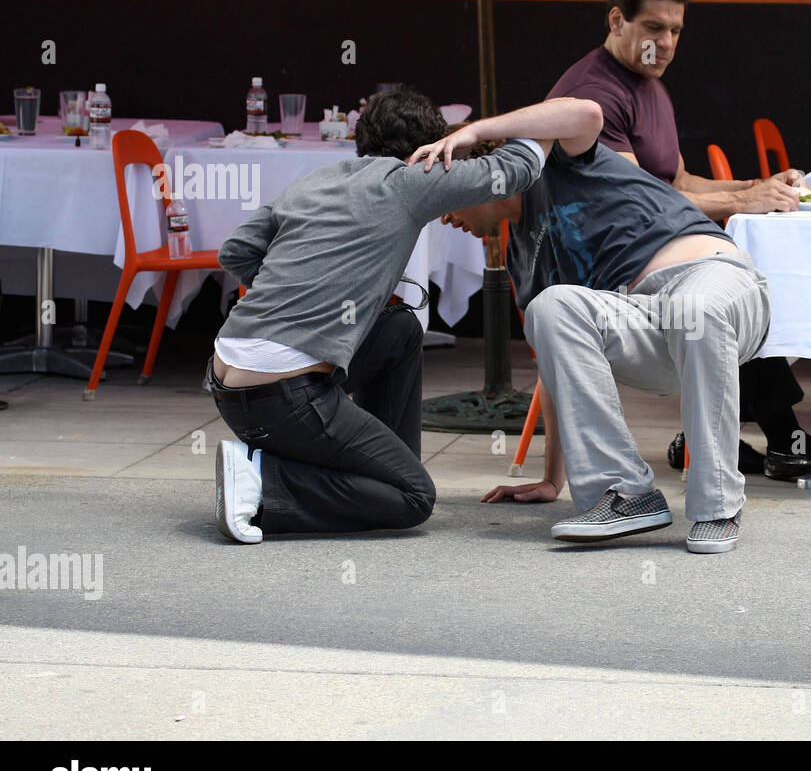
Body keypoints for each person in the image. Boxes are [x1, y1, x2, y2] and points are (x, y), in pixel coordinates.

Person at [208, 89, 601, 543]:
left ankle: (377, 464)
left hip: (227, 381)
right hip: (284, 397)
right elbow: (520, 168)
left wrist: (292, 298)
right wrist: (545, 120)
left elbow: (234, 251)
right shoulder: (410, 181)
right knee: (413, 498)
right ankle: (262, 483)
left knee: (400, 327)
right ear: (430, 149)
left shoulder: (312, 181)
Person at [545, 0, 811, 481]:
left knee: (732, 272)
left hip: (651, 253)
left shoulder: (646, 81)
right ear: (617, 20)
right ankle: (777, 438)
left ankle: (726, 436)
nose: (666, 43)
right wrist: (743, 203)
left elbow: (680, 180)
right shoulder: (596, 95)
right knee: (724, 278)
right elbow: (639, 202)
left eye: (675, 31)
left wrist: (756, 188)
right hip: (608, 272)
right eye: (653, 28)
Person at [425, 126, 770, 554]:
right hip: (650, 332)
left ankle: (717, 505)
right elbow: (558, 365)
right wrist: (554, 480)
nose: (444, 216)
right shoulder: (522, 257)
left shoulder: (562, 165)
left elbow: (584, 110)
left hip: (715, 284)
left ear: (481, 176)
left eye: (446, 198)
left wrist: (474, 131)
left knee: (692, 308)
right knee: (549, 308)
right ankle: (626, 493)